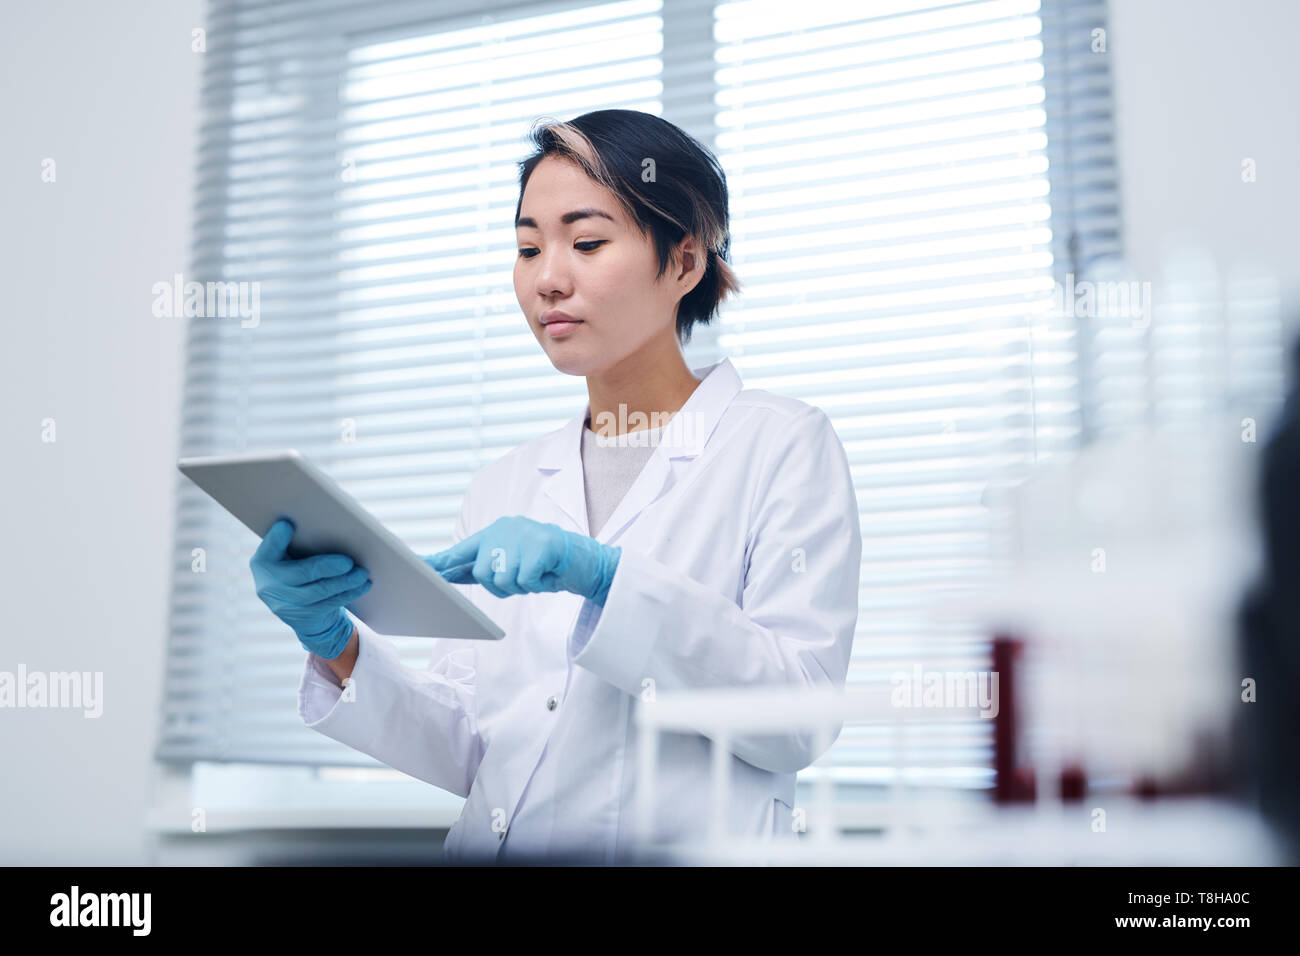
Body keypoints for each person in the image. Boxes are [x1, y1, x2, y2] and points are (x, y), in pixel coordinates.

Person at [249, 108, 861, 863]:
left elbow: (799, 716)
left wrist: (608, 581)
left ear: (684, 263)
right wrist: (337, 645)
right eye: (527, 248)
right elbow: (471, 749)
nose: (547, 278)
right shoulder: (504, 484)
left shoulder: (781, 445)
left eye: (588, 242)